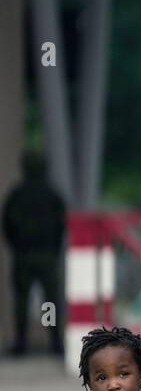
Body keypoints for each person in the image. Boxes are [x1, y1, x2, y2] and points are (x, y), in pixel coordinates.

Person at [3, 150, 65, 356]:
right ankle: (55, 342)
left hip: (23, 255)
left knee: (21, 300)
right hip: (46, 255)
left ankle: (21, 343)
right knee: (51, 301)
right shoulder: (52, 195)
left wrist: (16, 248)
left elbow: (6, 225)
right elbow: (61, 226)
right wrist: (54, 250)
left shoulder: (16, 195)